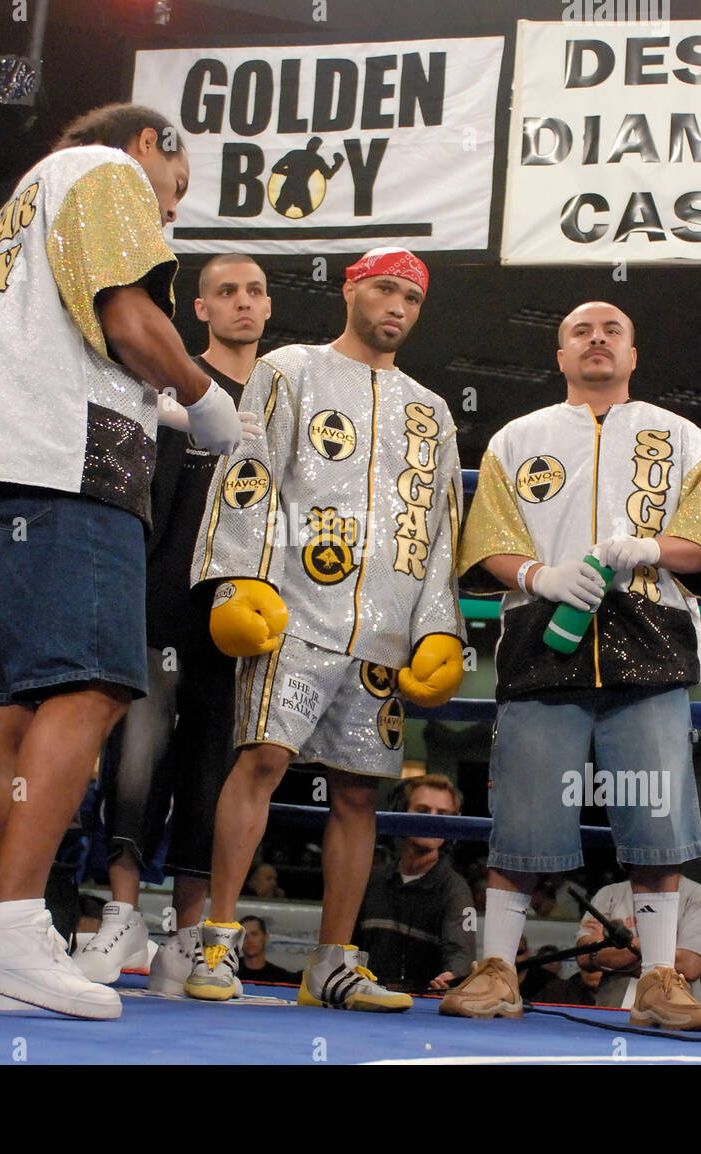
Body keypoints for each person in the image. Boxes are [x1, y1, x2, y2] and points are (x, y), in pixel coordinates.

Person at [0, 102, 243, 1020]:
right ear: (150, 144)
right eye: (176, 189)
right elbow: (124, 312)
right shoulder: (106, 171)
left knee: (3, 708)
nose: (173, 215)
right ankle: (12, 923)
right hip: (66, 470)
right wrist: (204, 393)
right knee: (94, 686)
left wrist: (171, 411)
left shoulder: (23, 205)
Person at [441, 301, 701, 1030]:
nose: (597, 339)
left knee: (657, 820)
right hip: (541, 643)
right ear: (561, 356)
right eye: (581, 331)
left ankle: (656, 976)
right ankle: (494, 969)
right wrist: (538, 577)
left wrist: (651, 546)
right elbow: (485, 543)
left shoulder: (683, 438)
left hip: (650, 643)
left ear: (633, 355)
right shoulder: (517, 440)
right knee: (519, 817)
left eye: (612, 330)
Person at [183, 247, 465, 1012]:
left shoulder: (431, 410)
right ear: (351, 291)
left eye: (410, 296)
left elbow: (441, 528)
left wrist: (439, 627)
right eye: (383, 290)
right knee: (263, 761)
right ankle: (213, 943)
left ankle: (332, 964)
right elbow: (250, 475)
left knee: (359, 796)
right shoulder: (290, 369)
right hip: (294, 609)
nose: (396, 307)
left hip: (384, 626)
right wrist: (238, 580)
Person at [74, 255, 270, 994]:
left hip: (240, 613)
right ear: (200, 310)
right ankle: (121, 916)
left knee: (213, 767)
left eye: (255, 292)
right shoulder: (164, 387)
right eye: (228, 292)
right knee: (135, 755)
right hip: (154, 594)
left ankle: (189, 936)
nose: (243, 304)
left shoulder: (287, 401)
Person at [353, 774, 475, 991]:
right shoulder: (371, 881)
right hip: (362, 1001)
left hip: (421, 1011)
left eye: (443, 814)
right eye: (423, 811)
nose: (433, 820)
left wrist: (452, 976)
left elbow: (460, 956)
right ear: (401, 813)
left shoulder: (455, 891)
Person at [573, 875, 701, 1014]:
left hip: (680, 1016)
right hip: (613, 1012)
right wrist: (653, 945)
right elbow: (584, 955)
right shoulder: (609, 894)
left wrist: (617, 955)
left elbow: (689, 965)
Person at [238, 915, 300, 985]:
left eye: (254, 934)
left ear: (265, 937)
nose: (249, 940)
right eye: (244, 936)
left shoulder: (281, 978)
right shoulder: (228, 973)